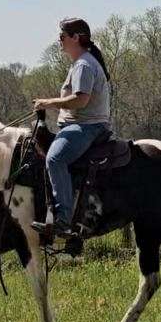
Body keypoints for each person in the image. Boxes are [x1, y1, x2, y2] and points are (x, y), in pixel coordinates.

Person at [30, 17, 112, 237]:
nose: (59, 40)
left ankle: (63, 220)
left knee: (55, 159)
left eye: (62, 36)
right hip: (80, 125)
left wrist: (47, 103)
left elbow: (80, 101)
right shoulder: (81, 63)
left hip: (87, 127)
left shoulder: (84, 64)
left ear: (76, 38)